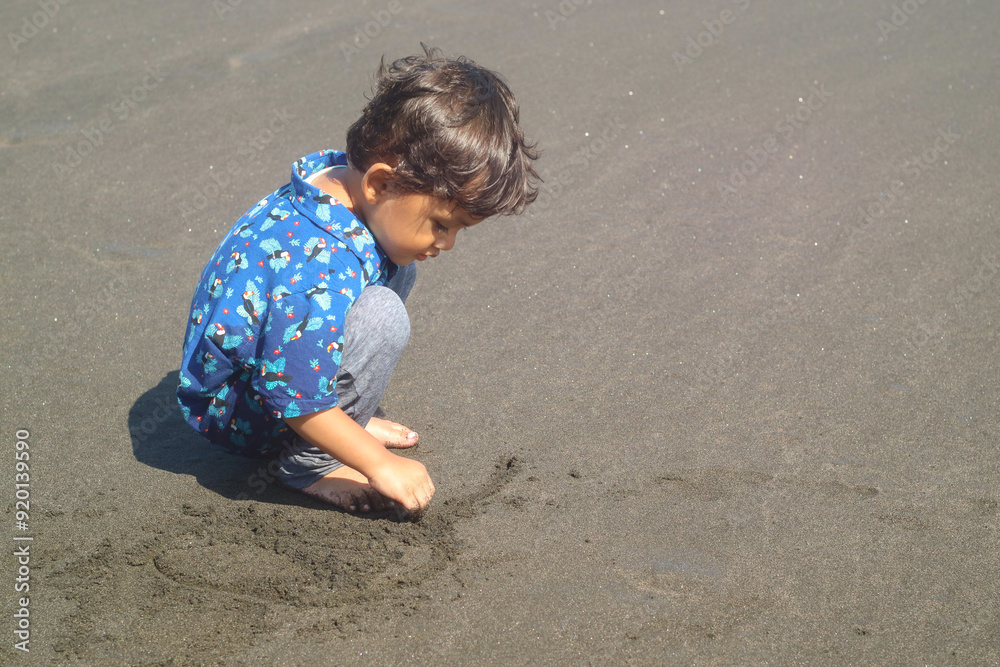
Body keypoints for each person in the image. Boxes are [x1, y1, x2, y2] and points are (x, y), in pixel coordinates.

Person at [177, 46, 539, 517]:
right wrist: (377, 463)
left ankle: (345, 419)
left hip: (265, 373)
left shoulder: (332, 182)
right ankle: (311, 460)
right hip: (242, 412)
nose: (446, 244)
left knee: (400, 265)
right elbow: (289, 391)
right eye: (442, 224)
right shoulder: (320, 266)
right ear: (380, 184)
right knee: (383, 316)